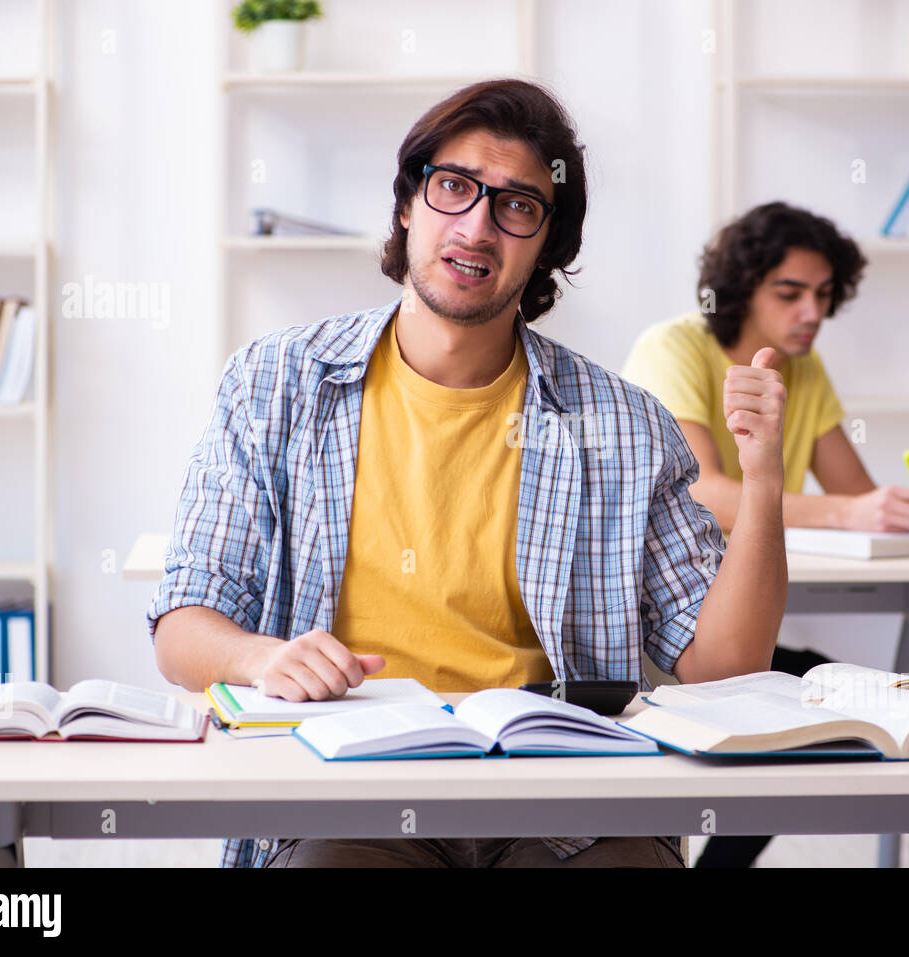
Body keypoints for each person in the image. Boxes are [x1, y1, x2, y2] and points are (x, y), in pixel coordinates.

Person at [148, 79, 791, 869]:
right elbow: (184, 624)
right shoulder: (276, 382)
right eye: (454, 188)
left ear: (548, 244)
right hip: (345, 789)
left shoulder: (623, 422)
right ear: (409, 205)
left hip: (564, 807)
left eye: (517, 205)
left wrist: (762, 484)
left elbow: (724, 667)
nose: (477, 227)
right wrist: (258, 658)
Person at [621, 201, 909, 868]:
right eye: (790, 293)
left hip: (733, 628)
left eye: (823, 295)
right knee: (809, 710)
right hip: (658, 632)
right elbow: (704, 488)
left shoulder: (803, 369)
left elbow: (854, 491)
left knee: (838, 702)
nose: (812, 313)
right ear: (742, 288)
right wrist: (850, 514)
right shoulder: (671, 347)